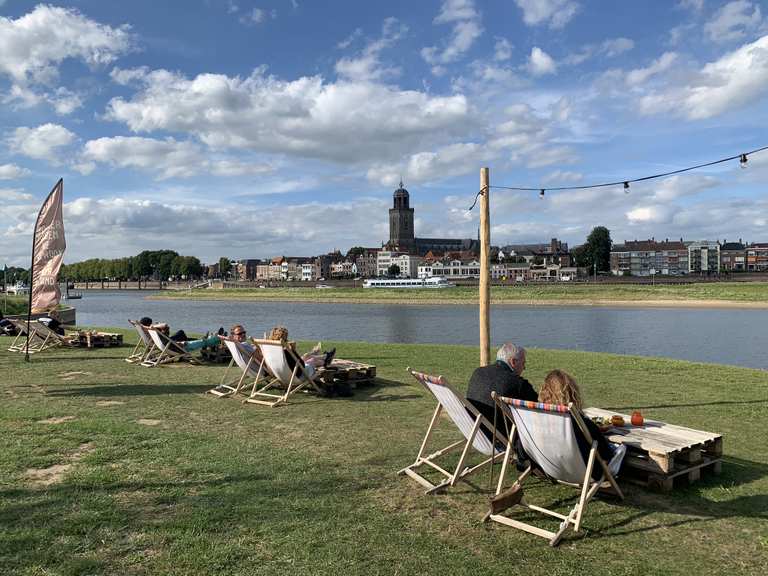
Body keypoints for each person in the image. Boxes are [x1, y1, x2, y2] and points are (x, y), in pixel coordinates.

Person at [538, 369, 623, 479]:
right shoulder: (579, 421)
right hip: (586, 471)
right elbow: (605, 452)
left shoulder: (538, 419)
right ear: (571, 393)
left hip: (551, 466)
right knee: (620, 449)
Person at [466, 342, 538, 438]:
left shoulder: (478, 373)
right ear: (513, 362)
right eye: (523, 363)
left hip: (476, 432)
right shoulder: (517, 383)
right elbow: (537, 408)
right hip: (501, 436)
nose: (524, 367)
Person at [267, 325, 335, 377]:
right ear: (284, 338)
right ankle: (325, 360)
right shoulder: (286, 351)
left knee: (307, 357)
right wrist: (293, 349)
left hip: (281, 374)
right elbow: (301, 364)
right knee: (313, 360)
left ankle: (325, 357)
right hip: (298, 374)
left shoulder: (272, 349)